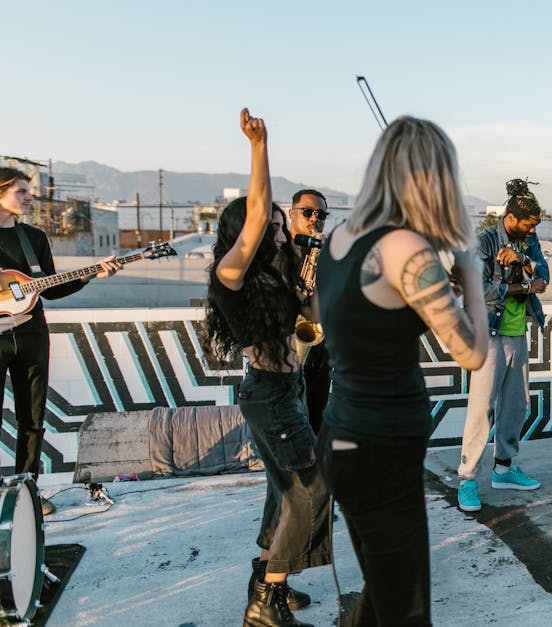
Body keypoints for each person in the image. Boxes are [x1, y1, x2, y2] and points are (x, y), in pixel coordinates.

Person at [314, 115, 489, 625]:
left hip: (342, 439)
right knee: (407, 614)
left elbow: (361, 321)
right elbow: (473, 354)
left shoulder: (338, 240)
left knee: (382, 599)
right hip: (382, 452)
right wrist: (471, 272)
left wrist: (429, 297)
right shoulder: (405, 249)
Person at [202, 109, 331, 627]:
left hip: (290, 387)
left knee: (289, 493)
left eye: (282, 229)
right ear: (245, 234)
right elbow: (257, 215)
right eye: (274, 229)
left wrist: (310, 276)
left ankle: (268, 579)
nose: (280, 235)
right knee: (312, 490)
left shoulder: (274, 279)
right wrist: (259, 146)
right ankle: (265, 598)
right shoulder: (229, 273)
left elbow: (312, 322)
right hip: (269, 393)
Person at [0, 166, 122, 516]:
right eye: (21, 191)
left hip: (32, 335)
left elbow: (49, 290)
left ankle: (28, 489)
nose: (29, 197)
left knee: (33, 418)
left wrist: (92, 274)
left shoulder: (33, 238)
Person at [456, 178, 549, 512]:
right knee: (482, 409)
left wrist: (523, 265)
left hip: (517, 333)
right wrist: (525, 286)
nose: (533, 229)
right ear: (512, 218)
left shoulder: (530, 240)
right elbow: (477, 292)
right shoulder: (484, 242)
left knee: (516, 404)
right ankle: (467, 479)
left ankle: (504, 469)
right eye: (530, 223)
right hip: (488, 333)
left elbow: (545, 277)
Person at [288, 189, 331, 434]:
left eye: (321, 215)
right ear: (291, 214)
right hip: (284, 354)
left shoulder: (325, 255)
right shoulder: (278, 252)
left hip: (318, 353)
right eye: (308, 212)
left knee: (316, 424)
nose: (315, 219)